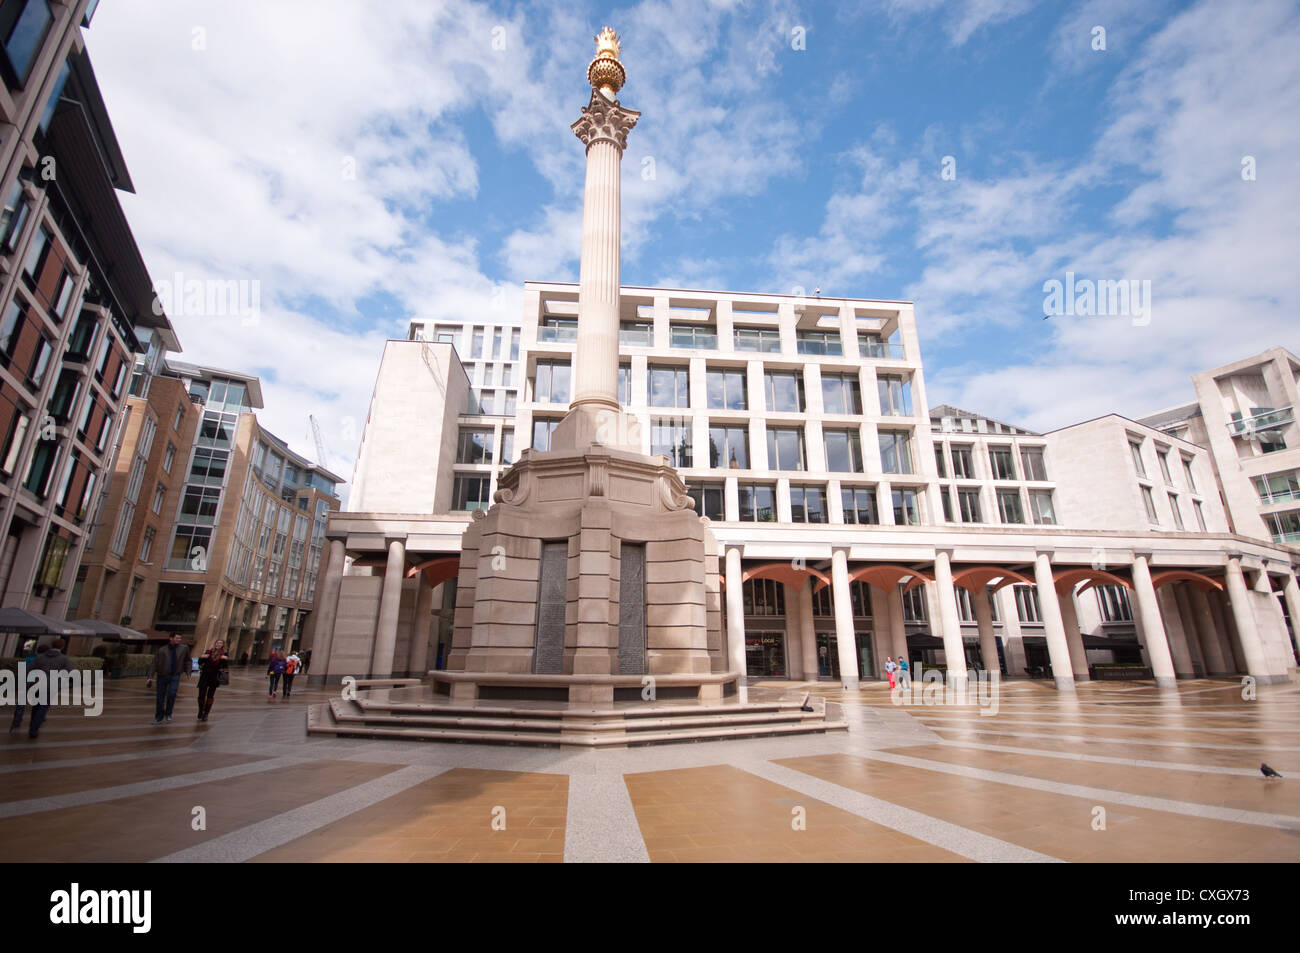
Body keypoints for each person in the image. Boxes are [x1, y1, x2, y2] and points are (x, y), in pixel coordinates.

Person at [11, 639, 74, 739]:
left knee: (36, 707)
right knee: (43, 708)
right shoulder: (64, 659)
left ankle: (32, 726)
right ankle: (33, 729)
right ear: (62, 647)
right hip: (50, 687)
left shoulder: (40, 657)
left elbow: (28, 669)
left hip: (36, 685)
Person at [147, 633, 192, 724]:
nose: (179, 639)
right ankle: (159, 716)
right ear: (171, 638)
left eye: (180, 638)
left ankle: (168, 714)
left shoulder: (184, 648)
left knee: (172, 694)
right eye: (177, 638)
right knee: (160, 697)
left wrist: (188, 671)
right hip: (162, 675)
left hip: (175, 675)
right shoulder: (162, 649)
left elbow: (188, 660)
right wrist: (150, 676)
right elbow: (154, 663)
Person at [8, 640, 42, 733]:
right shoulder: (43, 660)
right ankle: (37, 719)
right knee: (39, 703)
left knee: (22, 702)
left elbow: (23, 669)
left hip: (26, 681)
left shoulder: (29, 658)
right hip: (38, 683)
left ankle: (17, 719)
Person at [196, 639, 229, 721]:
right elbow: (200, 662)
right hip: (205, 675)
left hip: (214, 677)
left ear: (222, 645)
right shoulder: (208, 652)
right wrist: (201, 657)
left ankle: (206, 713)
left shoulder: (224, 654)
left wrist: (225, 659)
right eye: (217, 643)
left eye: (220, 643)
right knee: (201, 695)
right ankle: (200, 710)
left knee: (210, 696)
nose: (218, 644)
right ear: (215, 644)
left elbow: (225, 667)